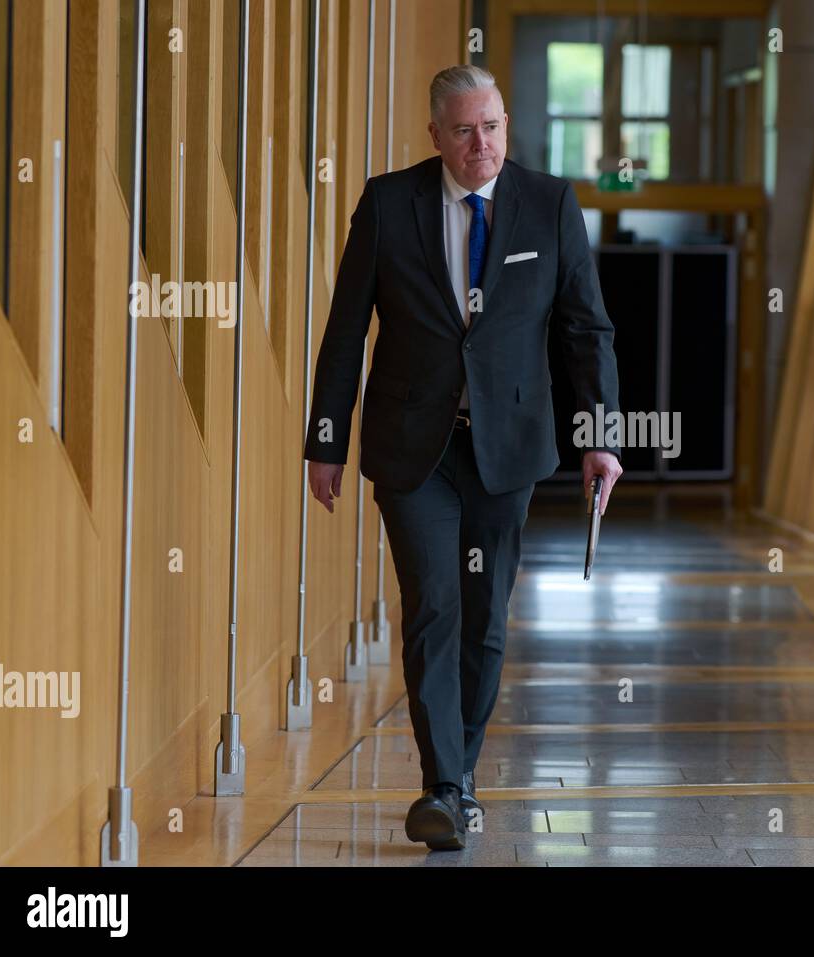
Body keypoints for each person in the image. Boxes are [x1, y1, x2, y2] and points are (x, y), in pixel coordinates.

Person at [303, 64, 623, 851]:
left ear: (506, 126)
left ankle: (461, 775)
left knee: (485, 617)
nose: (481, 144)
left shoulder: (548, 206)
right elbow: (347, 333)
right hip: (415, 448)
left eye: (492, 127)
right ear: (435, 135)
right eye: (463, 130)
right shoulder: (388, 204)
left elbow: (585, 330)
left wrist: (599, 437)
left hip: (506, 450)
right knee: (435, 604)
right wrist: (326, 440)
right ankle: (443, 784)